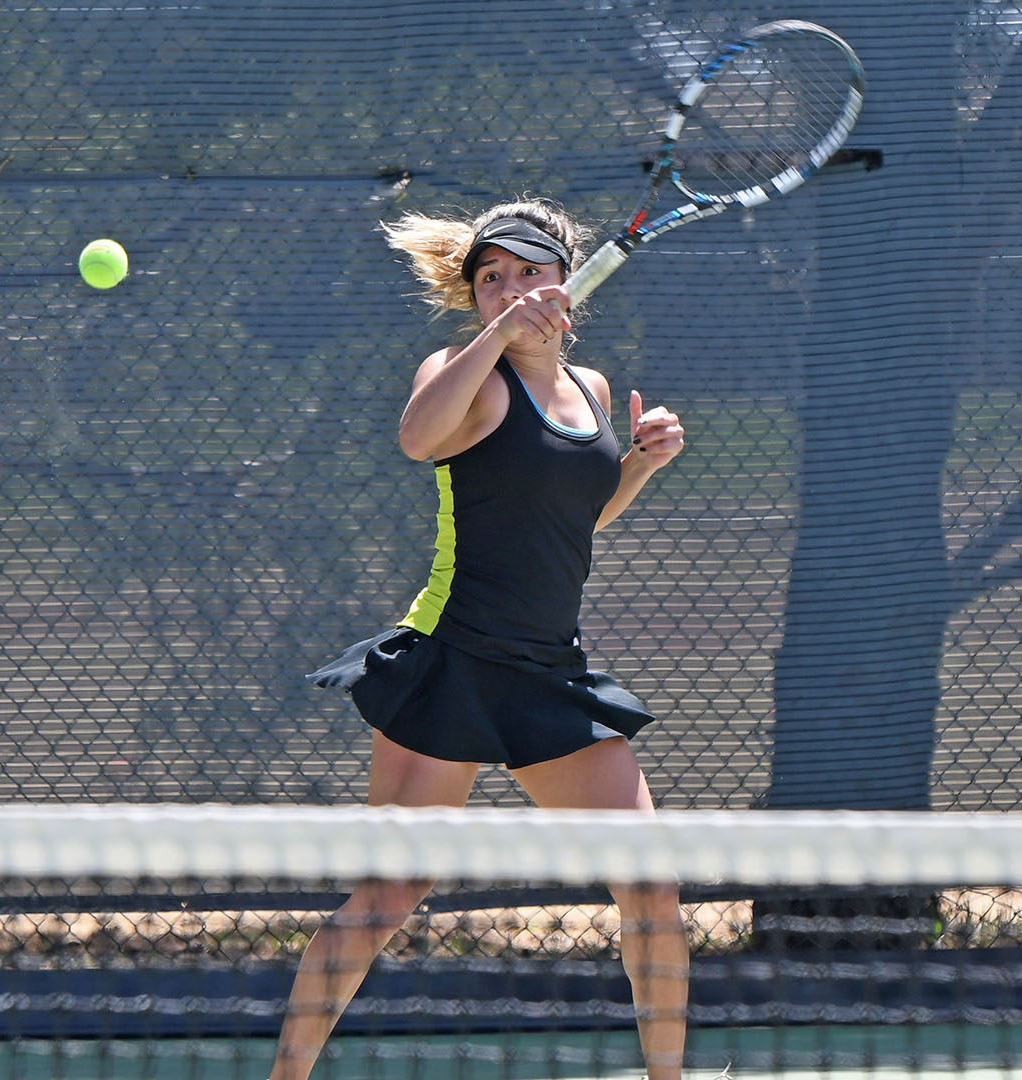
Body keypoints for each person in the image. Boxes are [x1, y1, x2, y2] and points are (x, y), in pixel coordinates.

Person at [277, 199, 690, 1080]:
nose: (506, 289)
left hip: (550, 675)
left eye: (525, 271)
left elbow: (574, 521)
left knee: (651, 887)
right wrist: (494, 339)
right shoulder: (464, 373)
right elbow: (418, 437)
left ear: (565, 283)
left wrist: (639, 468)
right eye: (488, 278)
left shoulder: (594, 392)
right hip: (452, 661)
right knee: (391, 893)